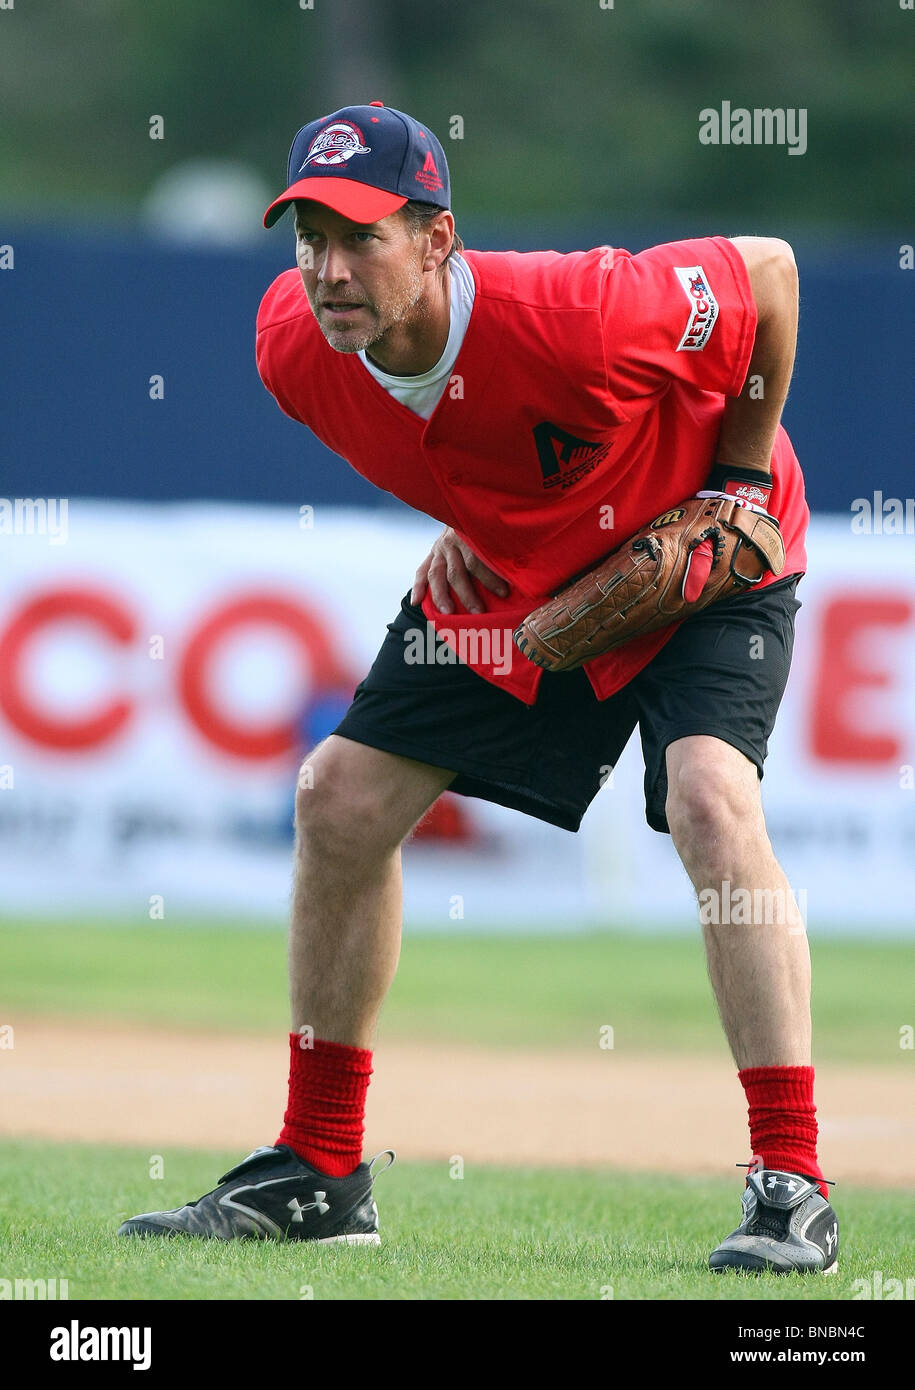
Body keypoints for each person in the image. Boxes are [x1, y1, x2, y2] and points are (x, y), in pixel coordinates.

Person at [119, 103, 838, 1275]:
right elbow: (464, 437)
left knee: (711, 798)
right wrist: (474, 516)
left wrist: (745, 478)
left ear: (438, 239)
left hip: (703, 548)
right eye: (310, 237)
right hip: (527, 572)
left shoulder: (577, 312)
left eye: (363, 238)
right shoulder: (293, 348)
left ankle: (791, 1183)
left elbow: (770, 275)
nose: (329, 271)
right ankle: (319, 1168)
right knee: (340, 799)